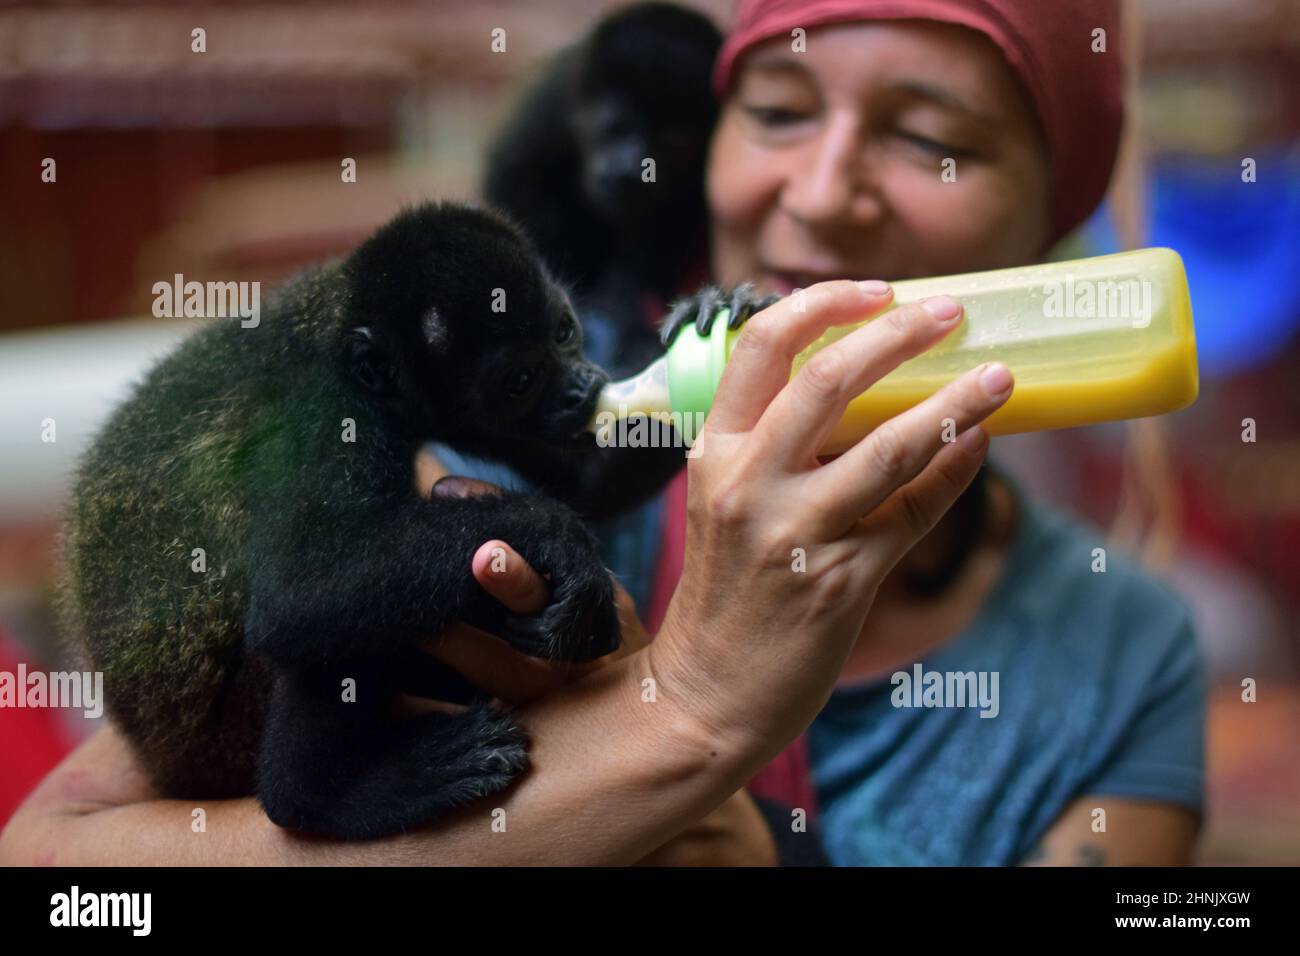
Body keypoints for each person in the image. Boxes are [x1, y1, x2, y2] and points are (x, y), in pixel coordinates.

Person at [1, 0, 1203, 866]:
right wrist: (681, 722)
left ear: (1054, 226)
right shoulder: (470, 481)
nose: (825, 190)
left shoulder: (1120, 651)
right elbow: (66, 874)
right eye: (779, 111)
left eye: (930, 138)